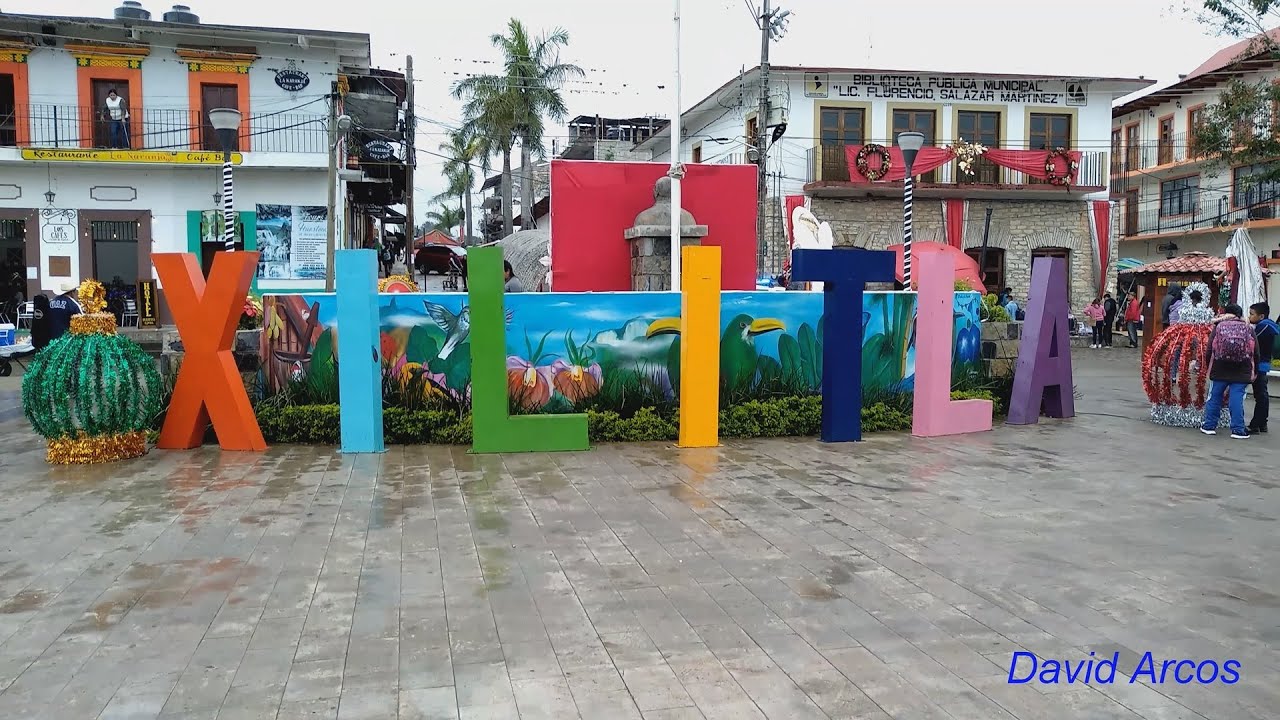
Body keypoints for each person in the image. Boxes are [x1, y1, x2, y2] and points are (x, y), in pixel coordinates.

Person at [1201, 303, 1257, 439]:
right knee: (1236, 398)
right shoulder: (1248, 327)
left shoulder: (1219, 326)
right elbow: (1256, 351)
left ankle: (1209, 426)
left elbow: (1209, 350)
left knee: (1215, 397)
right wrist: (1254, 371)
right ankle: (1238, 429)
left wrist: (1209, 366)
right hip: (1241, 370)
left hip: (1220, 368)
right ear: (1240, 314)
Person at [1248, 302, 1277, 434]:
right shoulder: (1268, 325)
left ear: (1261, 316)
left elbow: (1252, 342)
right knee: (1262, 395)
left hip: (1259, 365)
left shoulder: (1263, 327)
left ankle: (1256, 424)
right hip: (1263, 364)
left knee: (1260, 396)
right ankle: (1262, 423)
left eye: (1251, 314)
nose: (1249, 316)